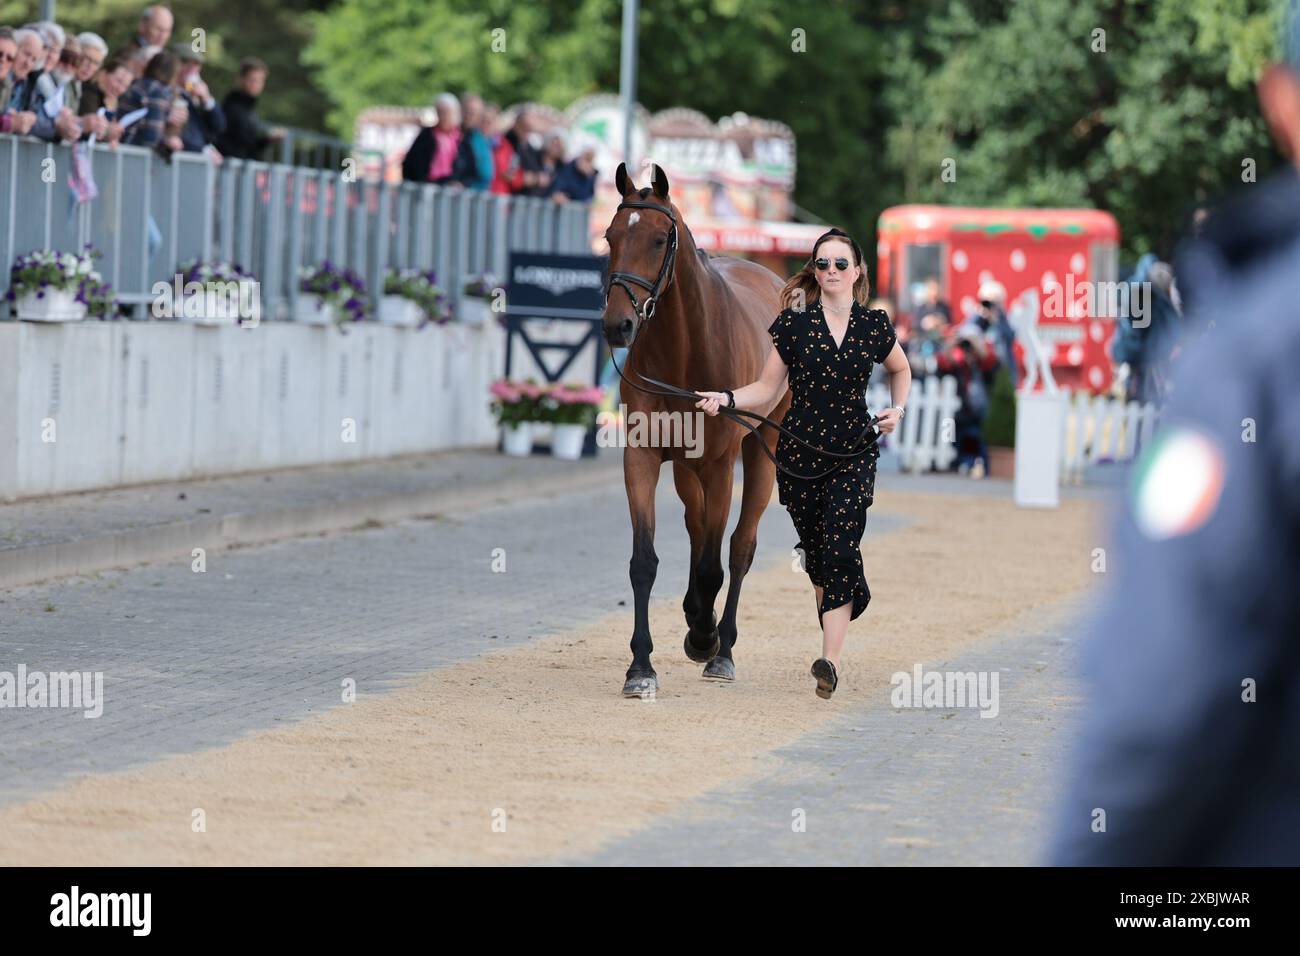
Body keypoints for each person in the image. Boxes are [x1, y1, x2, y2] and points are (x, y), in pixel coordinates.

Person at [1047, 1, 1300, 866]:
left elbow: (1165, 692)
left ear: (1280, 102)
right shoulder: (1193, 292)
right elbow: (1135, 337)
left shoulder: (1263, 338)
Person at [695, 227, 911, 699]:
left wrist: (898, 409)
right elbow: (768, 391)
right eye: (822, 263)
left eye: (839, 263)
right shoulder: (792, 326)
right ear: (814, 271)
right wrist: (727, 397)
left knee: (838, 542)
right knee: (820, 557)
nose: (830, 271)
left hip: (854, 452)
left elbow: (901, 368)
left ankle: (829, 661)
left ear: (857, 272)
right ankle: (848, 592)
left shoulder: (873, 326)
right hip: (798, 457)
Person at [400, 92, 477, 186]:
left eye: (446, 112)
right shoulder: (426, 136)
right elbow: (410, 163)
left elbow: (470, 170)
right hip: (426, 188)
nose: (444, 116)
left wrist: (461, 183)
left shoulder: (462, 139)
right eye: (440, 112)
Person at [216, 56, 283, 160]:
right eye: (252, 80)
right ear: (241, 79)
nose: (256, 85)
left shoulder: (249, 109)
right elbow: (235, 145)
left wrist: (267, 140)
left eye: (260, 81)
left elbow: (249, 145)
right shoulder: (232, 107)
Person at [118, 48, 178, 151]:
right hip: (132, 150)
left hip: (123, 144)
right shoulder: (156, 92)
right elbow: (152, 133)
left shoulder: (138, 85)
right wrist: (166, 144)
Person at [172, 44, 224, 155]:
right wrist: (203, 150)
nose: (191, 69)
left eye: (196, 64)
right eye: (186, 62)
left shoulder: (194, 96)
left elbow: (219, 127)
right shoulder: (167, 90)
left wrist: (207, 99)